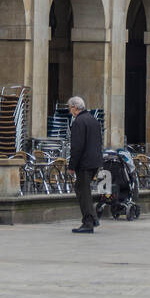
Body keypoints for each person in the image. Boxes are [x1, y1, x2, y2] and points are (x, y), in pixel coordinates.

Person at [67, 96, 103, 234]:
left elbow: (77, 147)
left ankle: (89, 222)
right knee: (83, 189)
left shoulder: (78, 122)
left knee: (83, 191)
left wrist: (71, 166)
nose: (70, 111)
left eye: (70, 108)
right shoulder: (93, 120)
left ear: (75, 108)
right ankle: (92, 218)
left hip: (84, 163)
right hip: (95, 161)